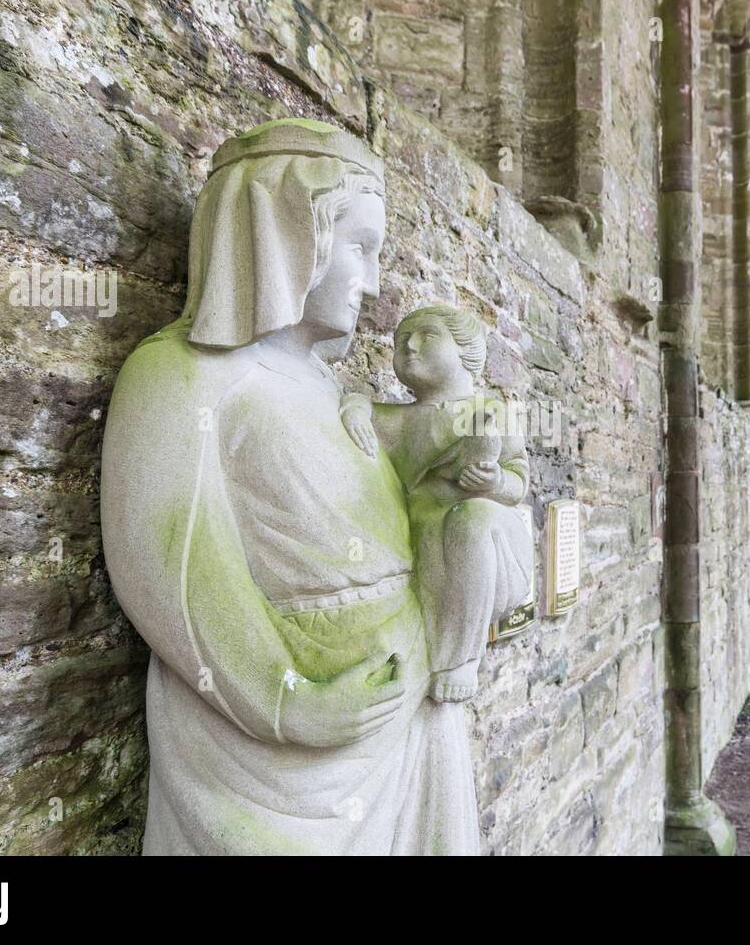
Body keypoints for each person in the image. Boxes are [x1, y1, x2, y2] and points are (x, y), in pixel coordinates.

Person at [101, 119, 481, 854]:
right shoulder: (182, 376)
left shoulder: (328, 390)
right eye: (360, 249)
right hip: (268, 758)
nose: (372, 283)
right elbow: (170, 572)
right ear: (285, 233)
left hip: (399, 706)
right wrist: (290, 700)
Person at [340, 304, 531, 705]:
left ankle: (462, 658)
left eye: (426, 336)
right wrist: (354, 408)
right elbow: (360, 406)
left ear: (466, 350)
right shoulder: (394, 420)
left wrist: (494, 480)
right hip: (421, 538)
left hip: (486, 538)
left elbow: (518, 483)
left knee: (471, 517)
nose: (408, 346)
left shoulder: (491, 413)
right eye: (399, 340)